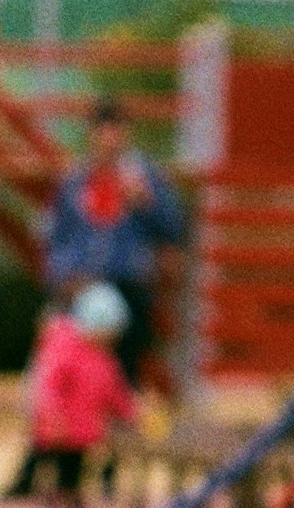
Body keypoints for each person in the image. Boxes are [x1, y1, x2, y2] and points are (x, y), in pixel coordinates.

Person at [43, 99, 188, 384]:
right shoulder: (75, 180)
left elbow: (175, 228)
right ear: (93, 135)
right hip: (81, 280)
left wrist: (147, 201)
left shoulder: (146, 177)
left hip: (128, 279)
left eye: (116, 132)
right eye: (103, 132)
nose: (110, 140)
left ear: (126, 134)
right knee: (73, 354)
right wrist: (62, 276)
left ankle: (124, 400)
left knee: (128, 341)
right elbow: (55, 237)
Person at [11, 281, 137, 508]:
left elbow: (115, 392)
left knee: (74, 476)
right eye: (108, 332)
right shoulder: (66, 350)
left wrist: (132, 414)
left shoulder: (104, 358)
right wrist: (53, 416)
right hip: (60, 431)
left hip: (82, 433)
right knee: (62, 476)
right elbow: (50, 386)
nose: (111, 339)